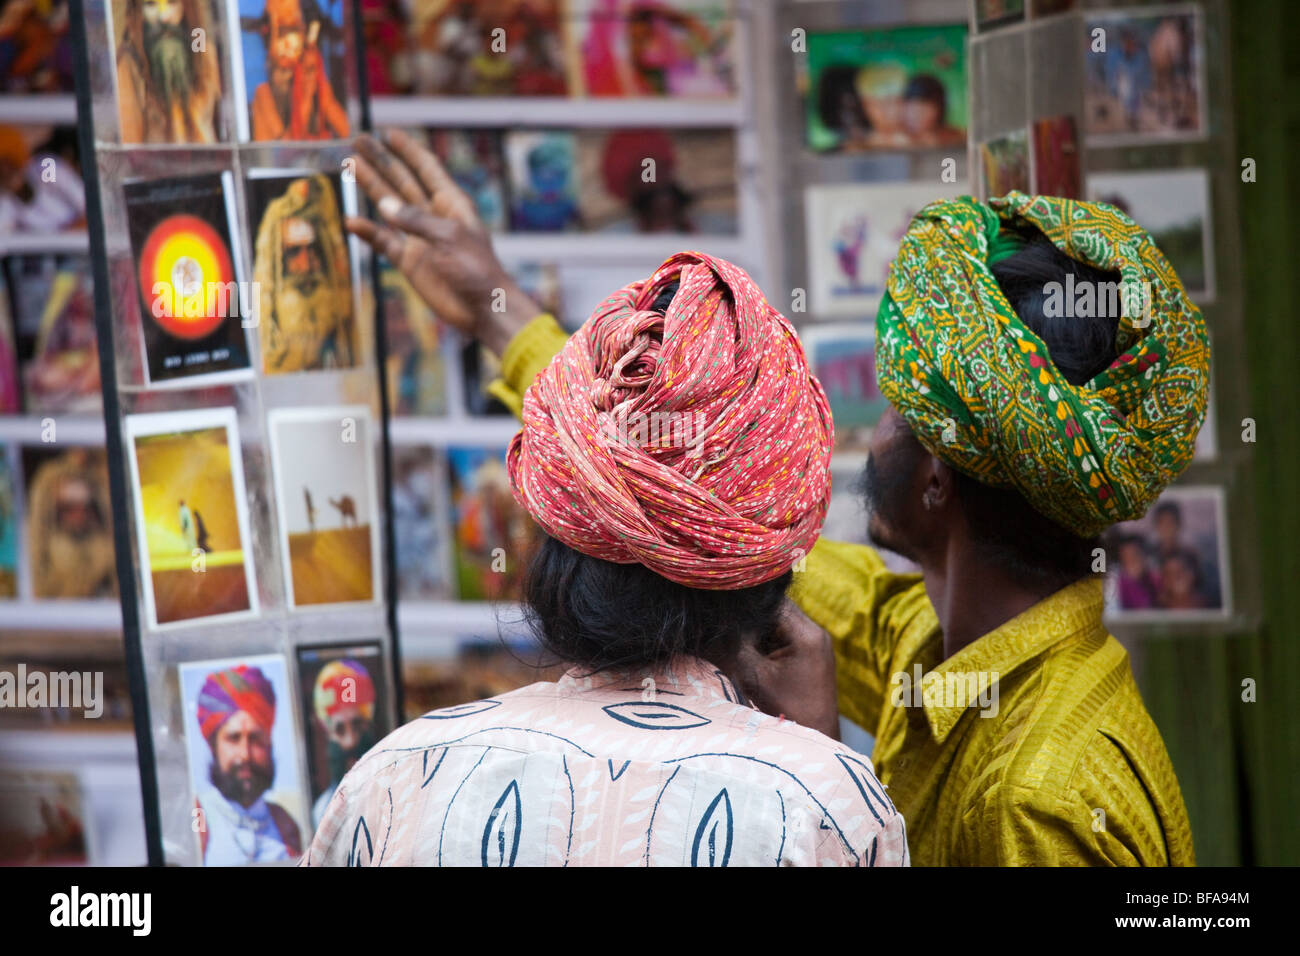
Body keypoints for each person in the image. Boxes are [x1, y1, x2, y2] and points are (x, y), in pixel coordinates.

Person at [345, 131, 1207, 866]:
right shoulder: (929, 642)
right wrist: (498, 311)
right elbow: (698, 511)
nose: (873, 438)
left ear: (938, 479)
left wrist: (817, 783)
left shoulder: (1045, 795)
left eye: (896, 416)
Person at [302, 246, 908, 867]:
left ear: (555, 524)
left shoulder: (392, 780)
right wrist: (811, 762)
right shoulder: (827, 809)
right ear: (764, 578)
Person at [193, 664, 301, 864]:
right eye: (233, 738)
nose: (245, 754)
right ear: (214, 746)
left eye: (255, 738)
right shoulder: (196, 819)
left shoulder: (285, 825)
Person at [114, 0, 221, 143]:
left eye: (172, 2)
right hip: (156, 163)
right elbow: (130, 146)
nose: (164, 17)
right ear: (138, 13)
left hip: (205, 161)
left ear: (185, 6)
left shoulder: (203, 51)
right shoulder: (129, 62)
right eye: (151, 4)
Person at [250, 0, 349, 141]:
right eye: (277, 32)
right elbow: (283, 150)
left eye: (291, 30)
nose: (285, 43)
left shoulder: (319, 87)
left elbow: (346, 131)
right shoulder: (263, 95)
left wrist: (310, 88)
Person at [309, 659, 377, 828]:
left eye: (357, 725)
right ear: (327, 734)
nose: (350, 742)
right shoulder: (321, 813)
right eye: (340, 730)